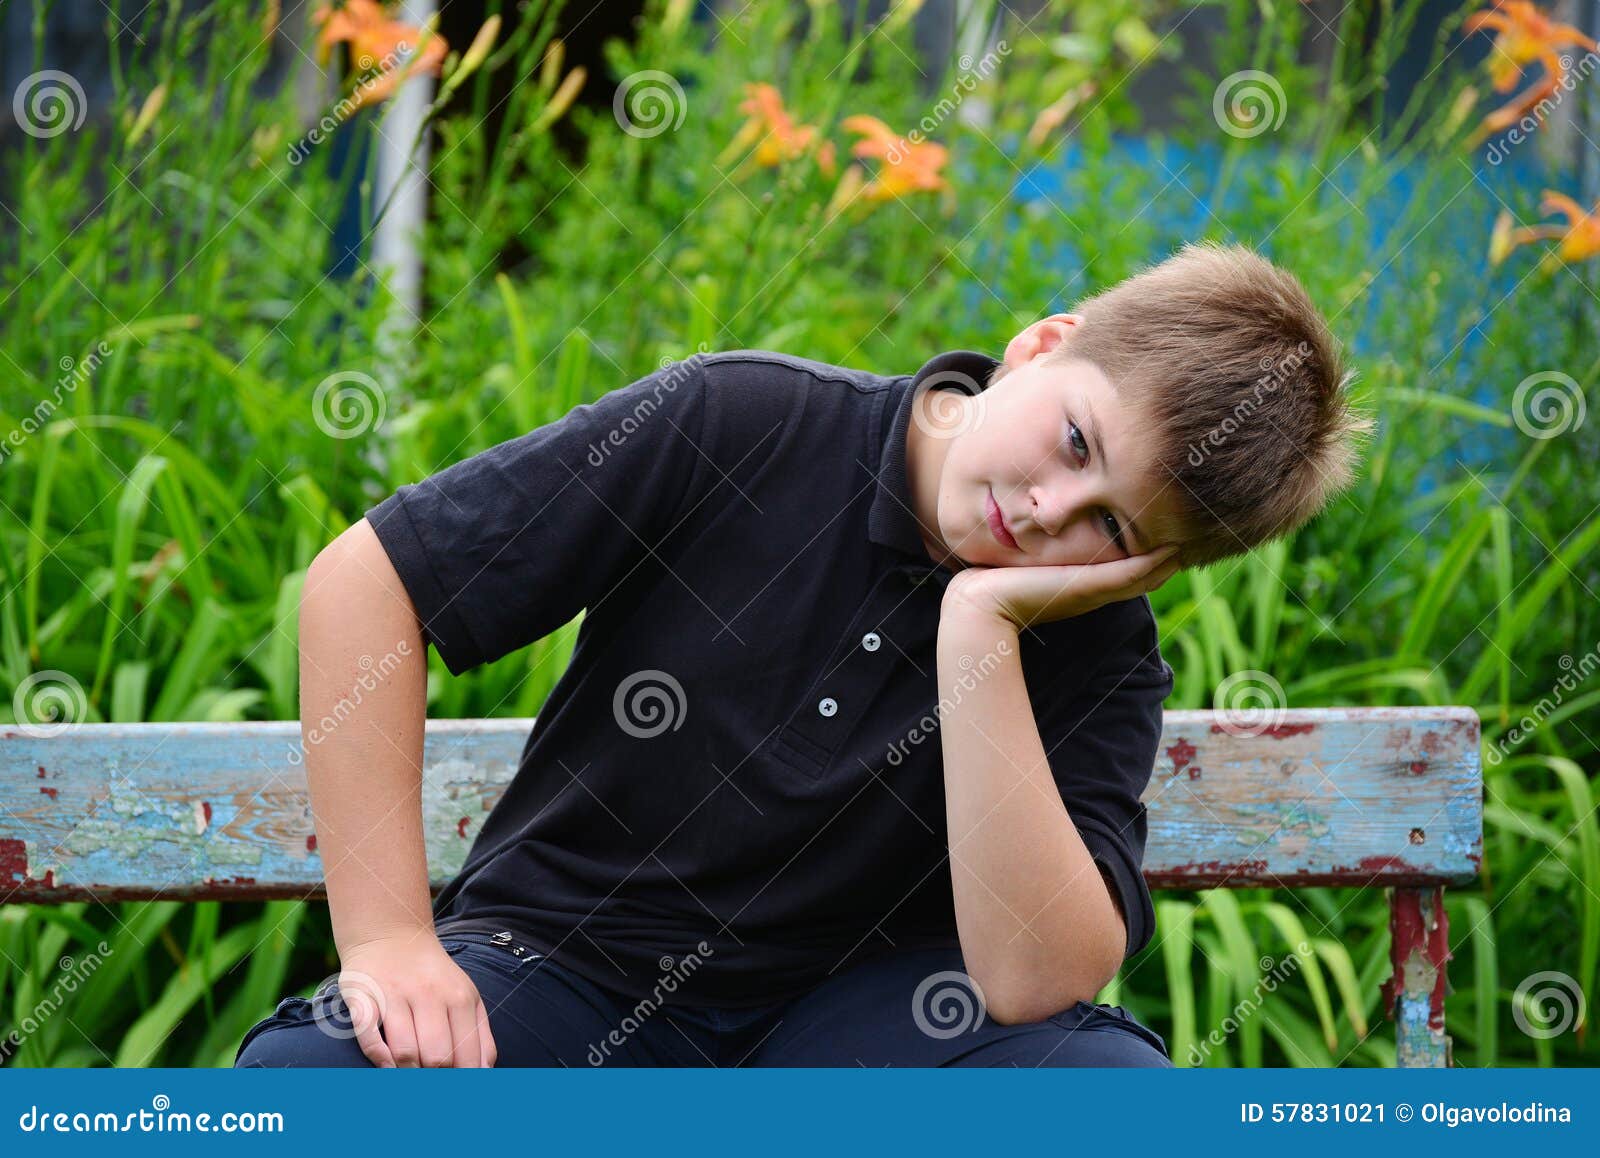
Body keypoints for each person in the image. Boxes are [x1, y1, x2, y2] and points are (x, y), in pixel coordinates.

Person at [235, 240, 1371, 1068]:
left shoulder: (1102, 651)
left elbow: (1033, 983)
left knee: (1107, 1096)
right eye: (1076, 440)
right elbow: (367, 582)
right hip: (569, 972)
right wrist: (388, 937)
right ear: (1042, 344)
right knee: (314, 1087)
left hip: (866, 1030)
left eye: (1111, 527)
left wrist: (979, 628)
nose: (1047, 508)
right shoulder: (744, 423)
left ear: (1148, 569)